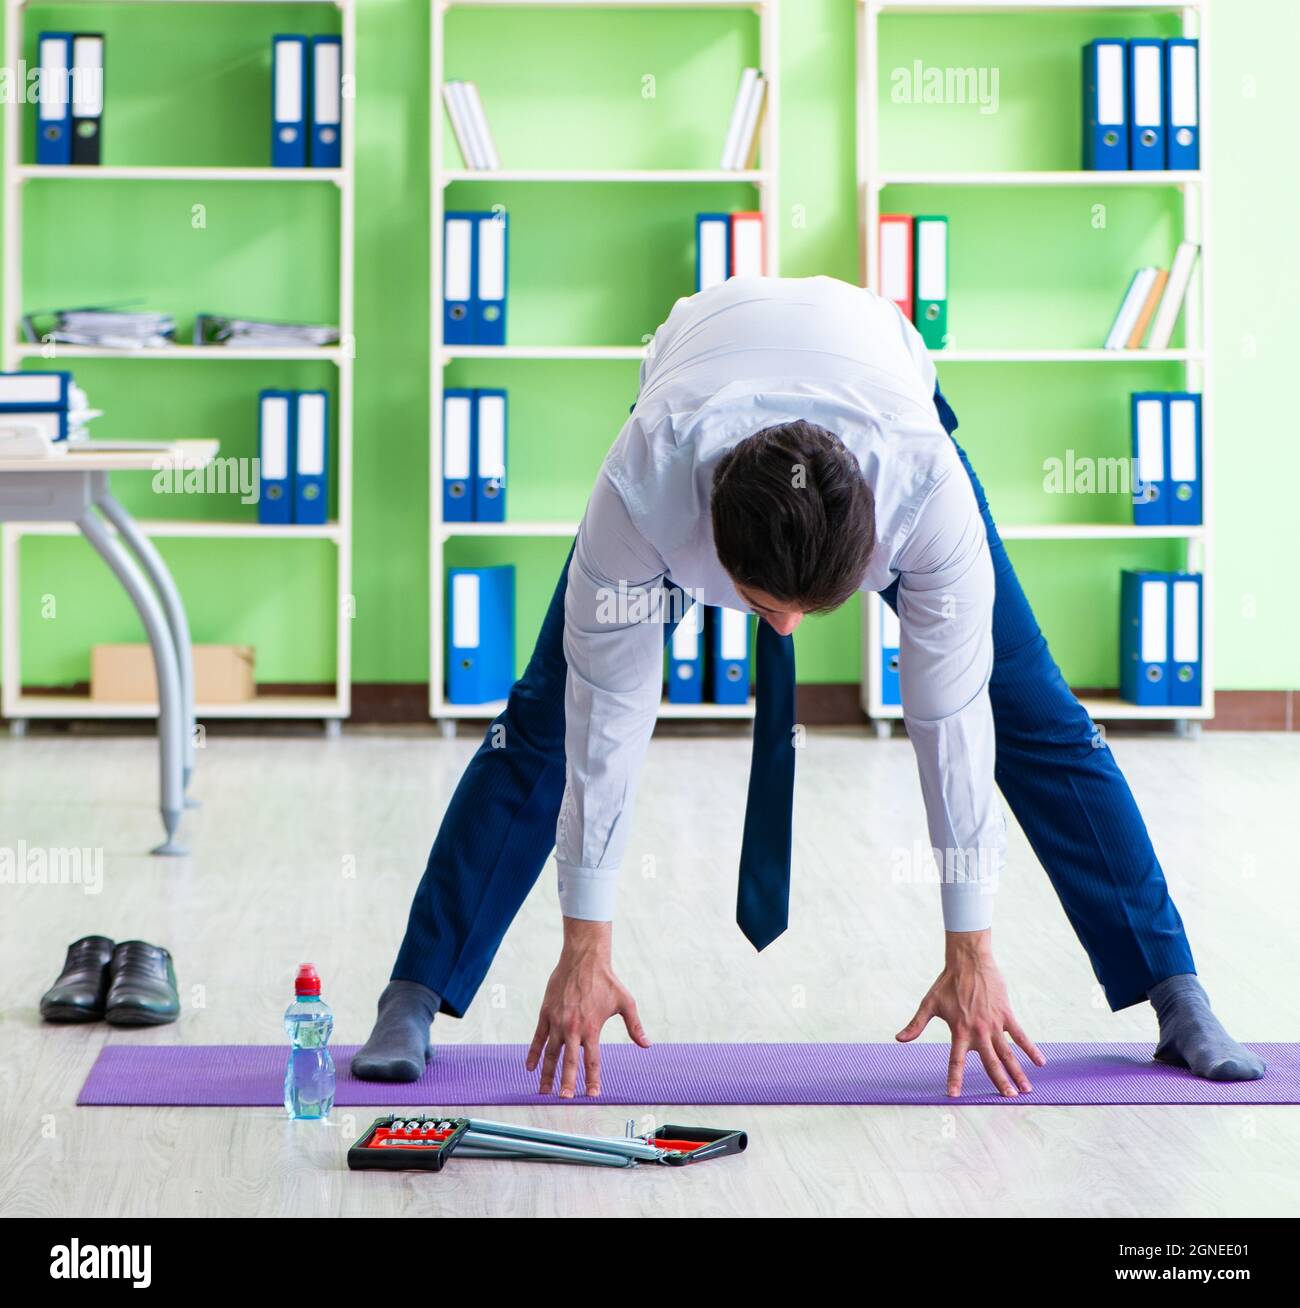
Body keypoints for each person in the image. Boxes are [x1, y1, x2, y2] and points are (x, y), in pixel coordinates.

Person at [354, 275, 1263, 1098]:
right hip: (697, 374)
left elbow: (951, 720)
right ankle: (414, 992)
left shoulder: (924, 497)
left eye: (809, 611)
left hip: (881, 380)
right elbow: (608, 721)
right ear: (708, 545)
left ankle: (1174, 990)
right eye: (763, 608)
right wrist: (584, 943)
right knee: (543, 722)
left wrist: (971, 947)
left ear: (870, 554)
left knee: (1035, 713)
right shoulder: (644, 495)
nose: (782, 630)